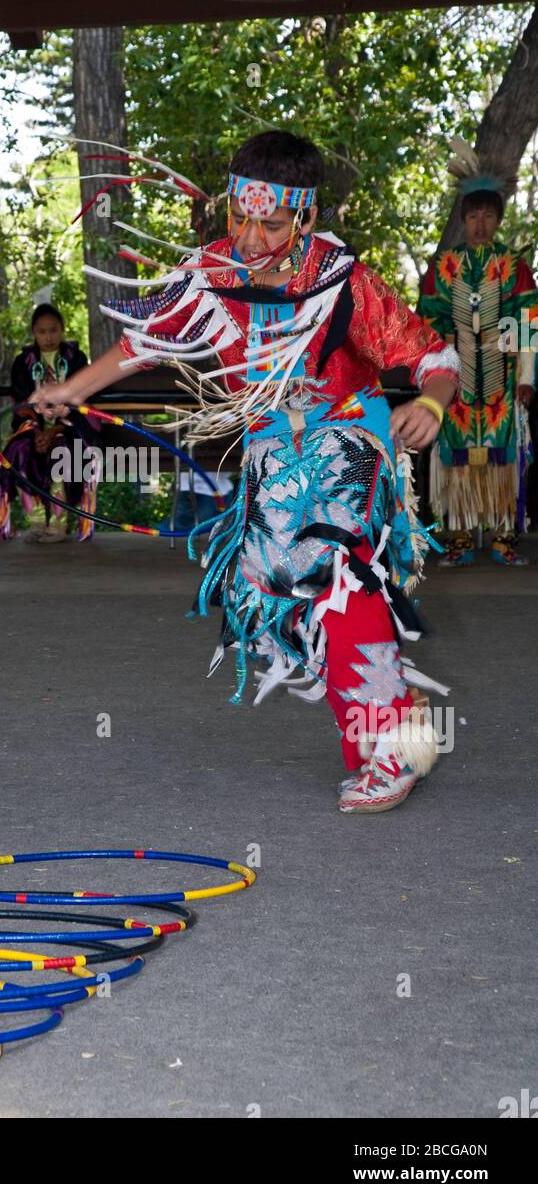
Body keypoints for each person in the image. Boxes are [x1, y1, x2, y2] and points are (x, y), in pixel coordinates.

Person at [32, 130, 460, 815]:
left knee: (341, 580)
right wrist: (72, 389)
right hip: (272, 452)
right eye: (240, 216)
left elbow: (435, 358)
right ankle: (395, 728)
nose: (253, 235)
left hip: (346, 435)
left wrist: (433, 405)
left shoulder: (341, 279)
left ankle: (388, 748)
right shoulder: (210, 275)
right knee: (274, 594)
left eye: (272, 221)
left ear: (307, 216)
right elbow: (143, 344)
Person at [418, 142, 538, 566]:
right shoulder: (444, 267)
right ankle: (460, 539)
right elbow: (429, 325)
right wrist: (437, 367)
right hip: (454, 381)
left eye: (488, 216)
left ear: (498, 219)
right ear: (463, 219)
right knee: (457, 460)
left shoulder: (513, 265)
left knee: (504, 459)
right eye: (473, 216)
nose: (480, 224)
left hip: (501, 381)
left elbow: (527, 322)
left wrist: (526, 377)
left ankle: (505, 539)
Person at [0, 303, 100, 543]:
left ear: (62, 330)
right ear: (34, 332)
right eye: (42, 331)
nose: (48, 337)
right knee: (18, 450)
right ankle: (37, 520)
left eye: (53, 330)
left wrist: (56, 430)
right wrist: (37, 432)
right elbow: (21, 403)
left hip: (69, 428)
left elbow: (83, 399)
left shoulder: (76, 358)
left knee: (62, 451)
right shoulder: (23, 362)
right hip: (33, 429)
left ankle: (59, 523)